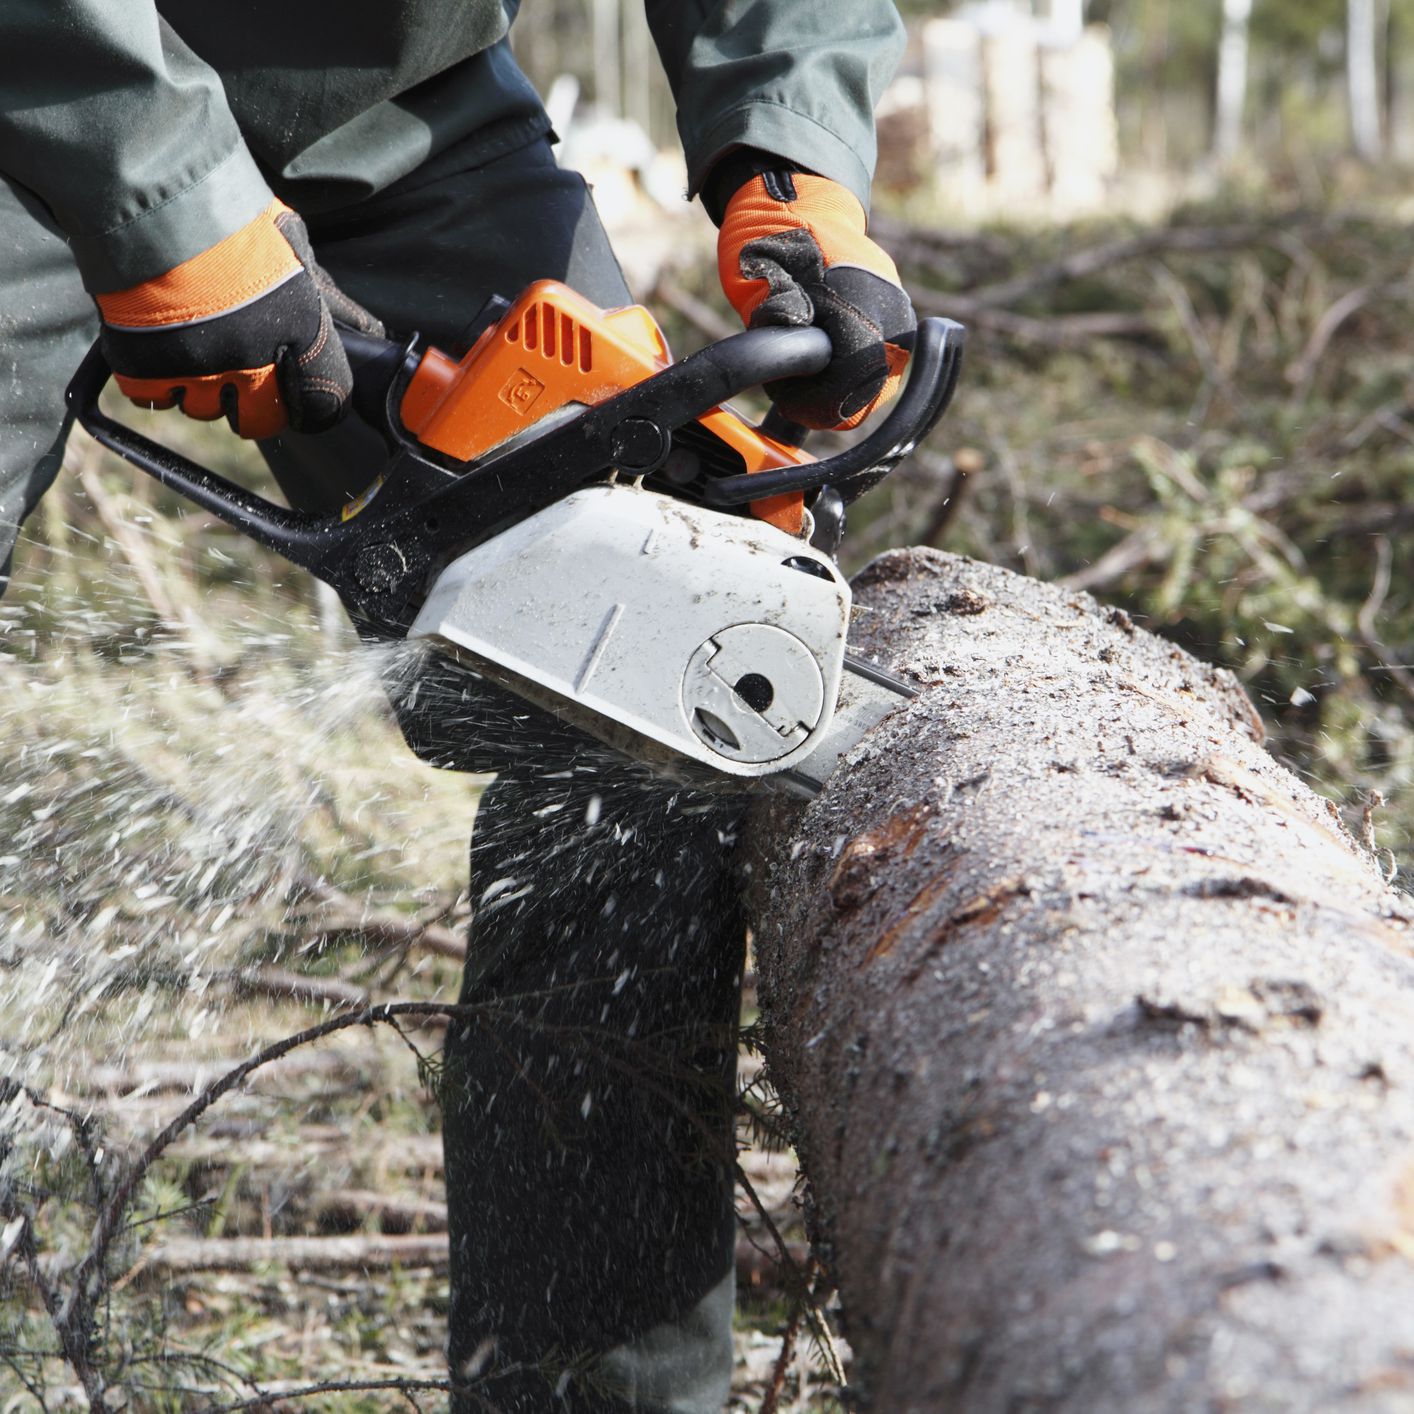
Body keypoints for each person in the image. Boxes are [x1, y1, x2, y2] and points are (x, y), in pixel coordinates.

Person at [0, 4, 915, 1409]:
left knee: (645, 709)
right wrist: (156, 170)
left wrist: (791, 154)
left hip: (393, 99)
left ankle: (583, 1388)